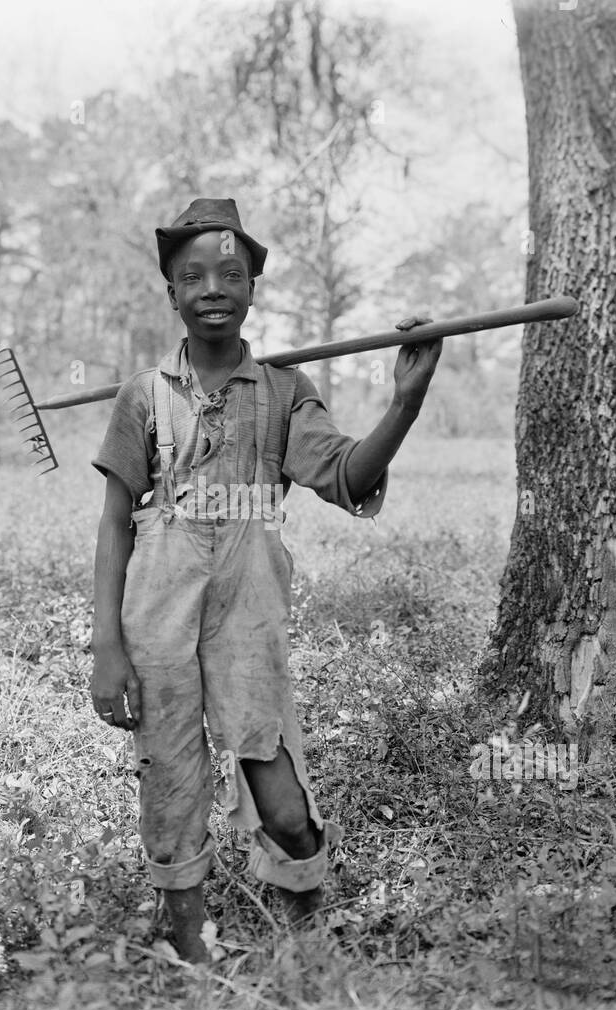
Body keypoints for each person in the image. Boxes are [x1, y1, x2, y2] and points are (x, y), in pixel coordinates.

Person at [90, 197, 442, 962]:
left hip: (248, 608)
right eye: (193, 275)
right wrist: (105, 644)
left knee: (281, 797)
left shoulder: (285, 392)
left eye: (231, 271)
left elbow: (349, 473)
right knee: (171, 778)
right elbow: (114, 522)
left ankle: (307, 938)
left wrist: (404, 404)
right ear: (172, 293)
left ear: (253, 287)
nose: (212, 286)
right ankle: (190, 949)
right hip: (156, 611)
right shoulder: (142, 397)